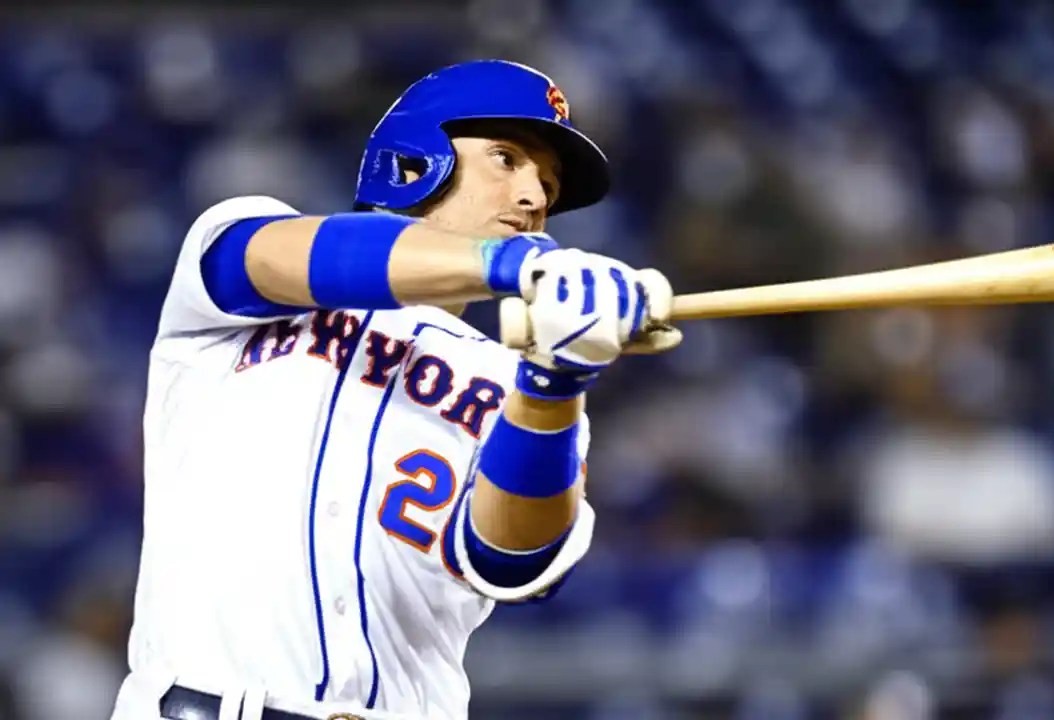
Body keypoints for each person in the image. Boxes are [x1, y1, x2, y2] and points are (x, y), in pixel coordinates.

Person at [110, 59, 680, 720]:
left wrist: (555, 382)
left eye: (548, 186)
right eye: (506, 159)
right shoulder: (252, 268)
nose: (534, 199)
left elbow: (508, 560)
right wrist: (513, 264)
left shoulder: (515, 383)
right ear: (415, 161)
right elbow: (271, 259)